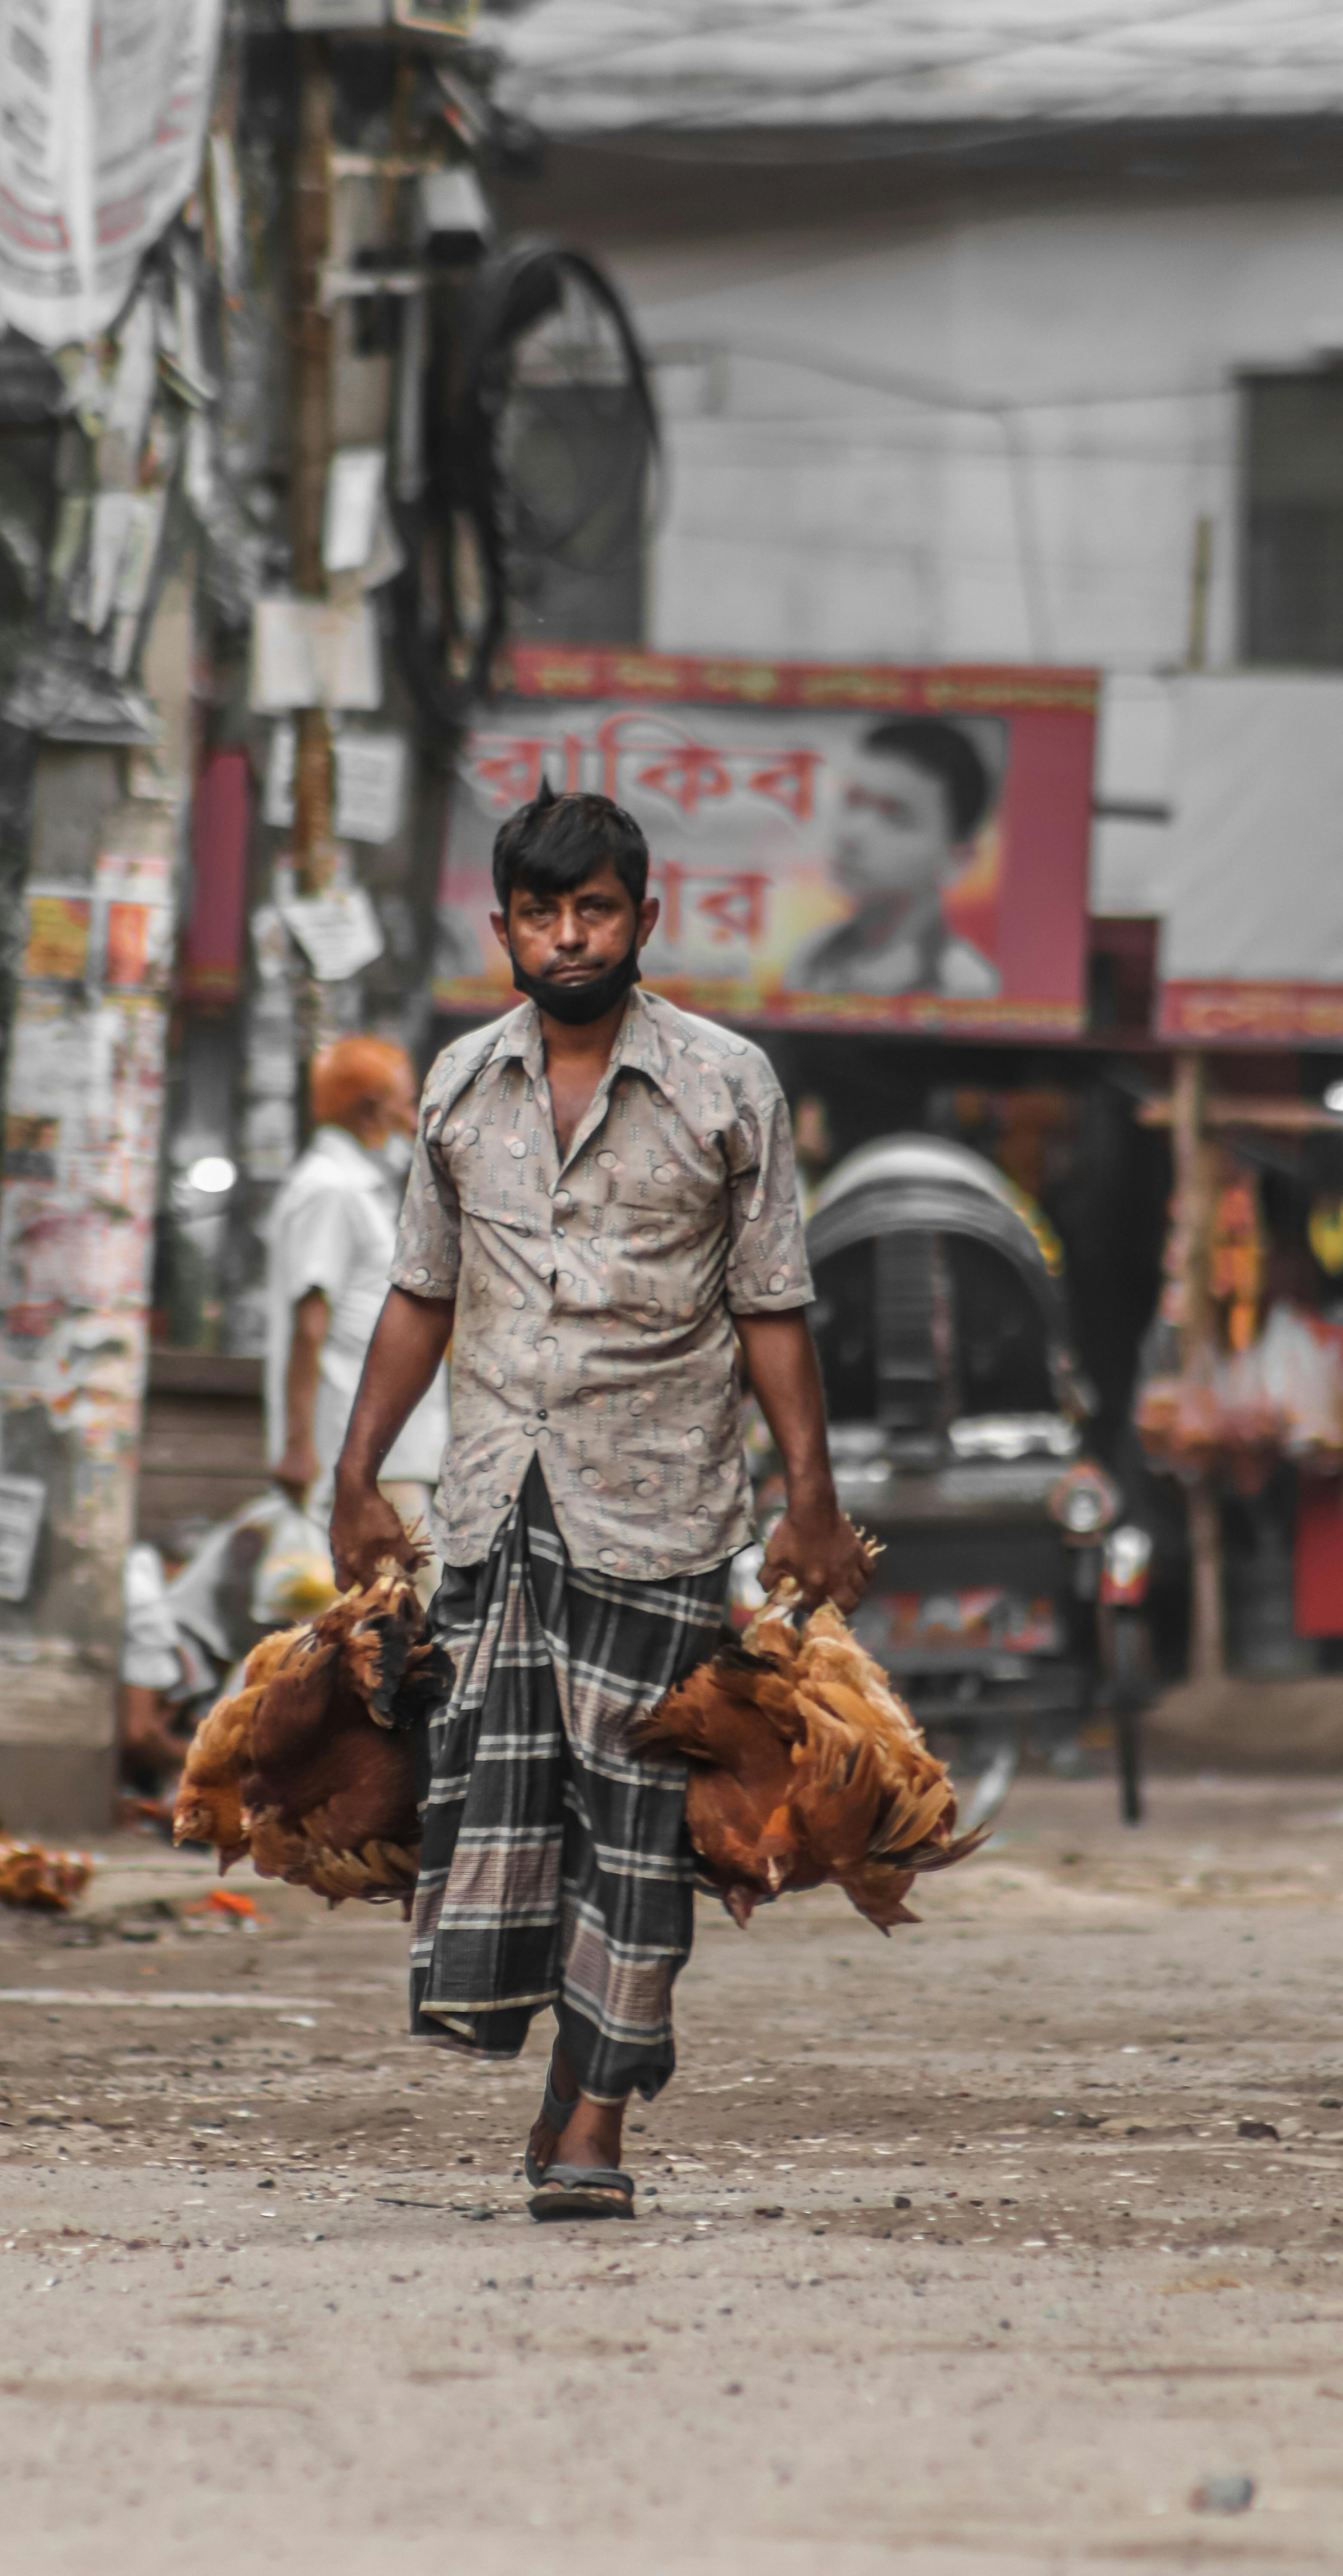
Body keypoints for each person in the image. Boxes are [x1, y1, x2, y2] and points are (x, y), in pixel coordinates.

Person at [329, 781, 874, 2220]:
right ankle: (568, 2077)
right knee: (507, 1818)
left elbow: (774, 1309)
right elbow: (419, 1296)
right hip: (494, 1514)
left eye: (596, 911)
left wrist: (810, 1501)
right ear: (501, 923)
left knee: (636, 1825)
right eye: (540, 913)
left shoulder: (724, 1086)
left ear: (645, 917)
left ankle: (593, 2121)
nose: (568, 939)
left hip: (660, 1517)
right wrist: (354, 1476)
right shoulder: (456, 1086)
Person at [265, 1035, 448, 1565]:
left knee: (379, 1623)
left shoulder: (359, 1186)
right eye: (404, 1101)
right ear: (372, 1109)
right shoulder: (330, 1189)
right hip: (360, 1452)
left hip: (383, 1447)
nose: (412, 1118)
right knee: (404, 1621)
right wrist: (300, 1446)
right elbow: (310, 1326)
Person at [785, 715, 1001, 1000]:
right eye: (854, 801)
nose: (852, 835)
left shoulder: (967, 989)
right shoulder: (811, 959)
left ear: (958, 859)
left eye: (895, 817)